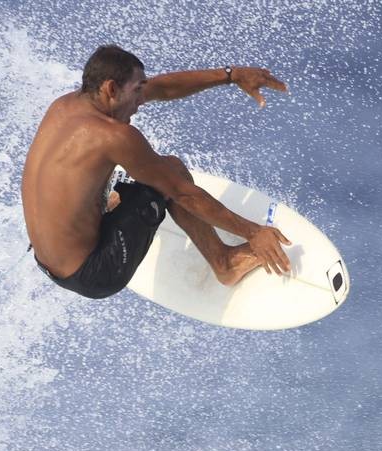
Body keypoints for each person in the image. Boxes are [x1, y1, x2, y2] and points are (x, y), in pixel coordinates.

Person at [22, 44, 292, 300]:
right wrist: (253, 233)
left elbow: (161, 88)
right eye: (137, 91)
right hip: (95, 273)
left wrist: (231, 76)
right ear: (111, 88)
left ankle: (107, 207)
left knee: (115, 175)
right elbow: (183, 193)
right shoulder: (112, 136)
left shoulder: (64, 106)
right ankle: (225, 263)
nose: (141, 102)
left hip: (46, 261)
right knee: (168, 174)